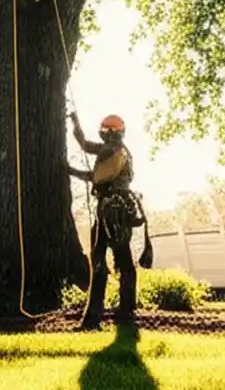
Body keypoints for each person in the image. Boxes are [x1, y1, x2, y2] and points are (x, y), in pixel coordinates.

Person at [67, 111, 152, 329]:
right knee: (120, 263)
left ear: (107, 133)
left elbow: (96, 174)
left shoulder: (112, 151)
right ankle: (125, 312)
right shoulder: (122, 151)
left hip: (112, 212)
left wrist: (70, 170)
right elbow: (85, 144)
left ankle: (96, 317)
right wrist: (76, 122)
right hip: (118, 211)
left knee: (103, 262)